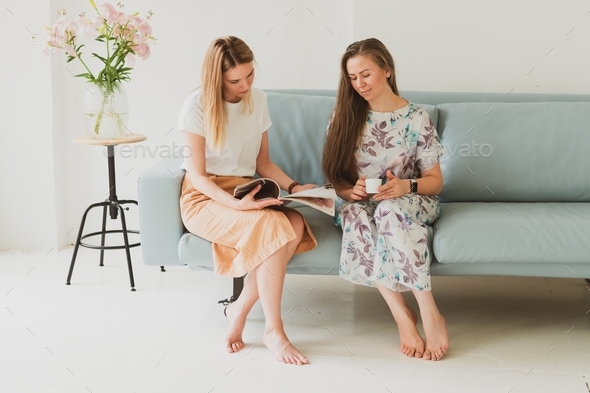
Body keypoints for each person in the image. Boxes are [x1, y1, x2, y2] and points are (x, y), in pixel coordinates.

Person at [177, 36, 317, 365]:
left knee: (294, 223)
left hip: (245, 188)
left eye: (250, 75)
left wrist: (295, 187)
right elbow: (197, 176)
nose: (245, 85)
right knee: (272, 225)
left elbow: (263, 164)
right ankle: (274, 330)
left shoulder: (258, 100)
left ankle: (238, 309)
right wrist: (236, 205)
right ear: (217, 77)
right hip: (204, 196)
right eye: (235, 80)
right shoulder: (195, 106)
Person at [322, 38, 449, 361]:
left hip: (410, 201)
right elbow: (337, 183)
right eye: (352, 78)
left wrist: (406, 186)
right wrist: (352, 192)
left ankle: (429, 311)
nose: (359, 84)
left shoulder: (416, 117)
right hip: (366, 203)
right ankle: (401, 315)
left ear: (386, 70)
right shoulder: (345, 115)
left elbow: (435, 182)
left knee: (390, 210)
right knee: (354, 215)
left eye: (365, 74)